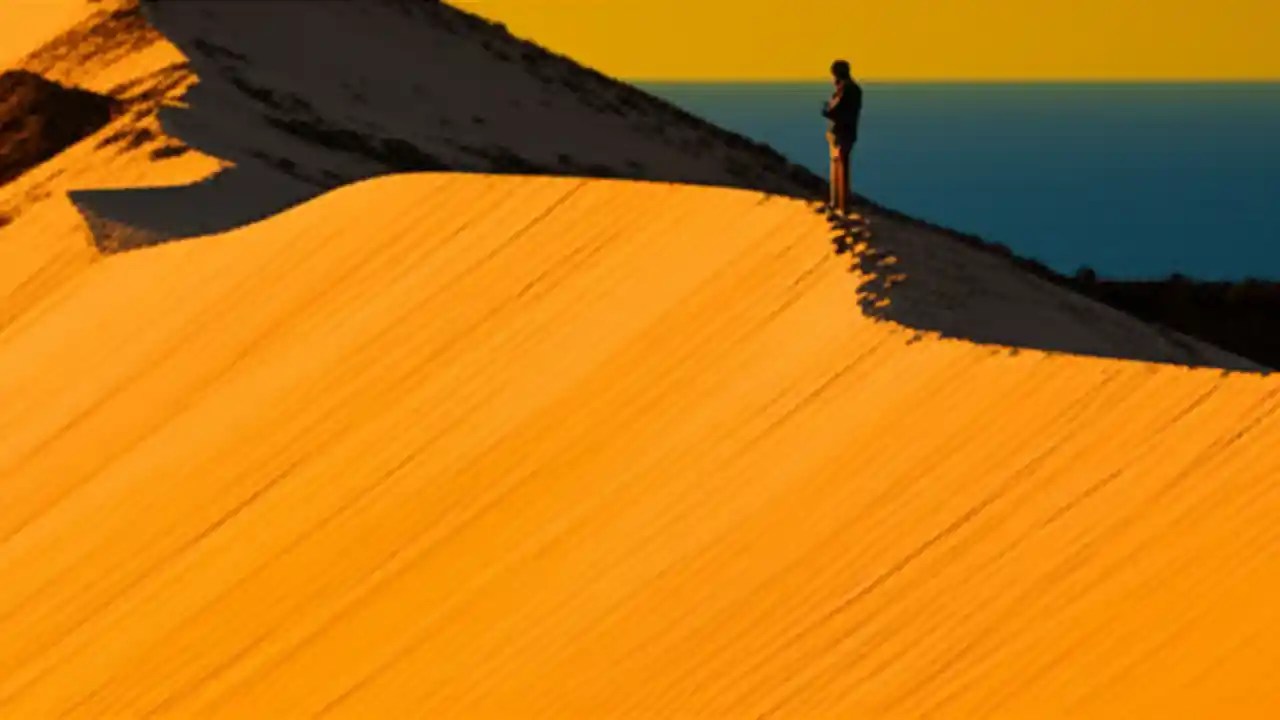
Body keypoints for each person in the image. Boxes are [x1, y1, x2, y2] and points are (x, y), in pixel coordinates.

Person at [821, 59, 863, 218]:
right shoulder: (852, 88)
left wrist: (826, 108)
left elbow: (834, 111)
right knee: (839, 168)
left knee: (840, 169)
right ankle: (838, 204)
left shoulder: (846, 89)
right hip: (845, 133)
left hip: (841, 134)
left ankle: (840, 206)